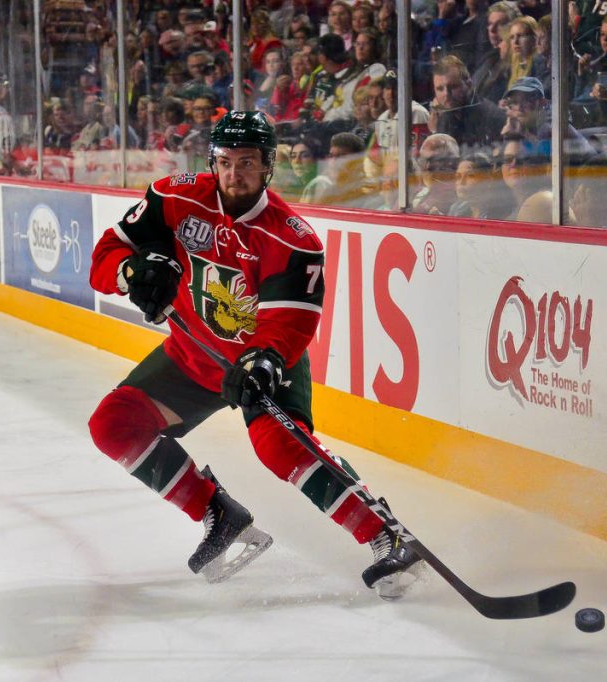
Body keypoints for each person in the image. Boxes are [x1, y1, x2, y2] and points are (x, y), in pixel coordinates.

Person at [87, 111, 425, 599]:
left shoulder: (292, 237)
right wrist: (132, 272)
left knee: (278, 446)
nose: (233, 174)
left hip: (263, 362)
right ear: (211, 162)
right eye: (224, 161)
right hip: (194, 354)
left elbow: (291, 321)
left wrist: (264, 358)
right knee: (113, 424)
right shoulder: (174, 198)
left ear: (268, 166)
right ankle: (218, 514)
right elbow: (106, 256)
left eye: (246, 162)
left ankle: (384, 533)